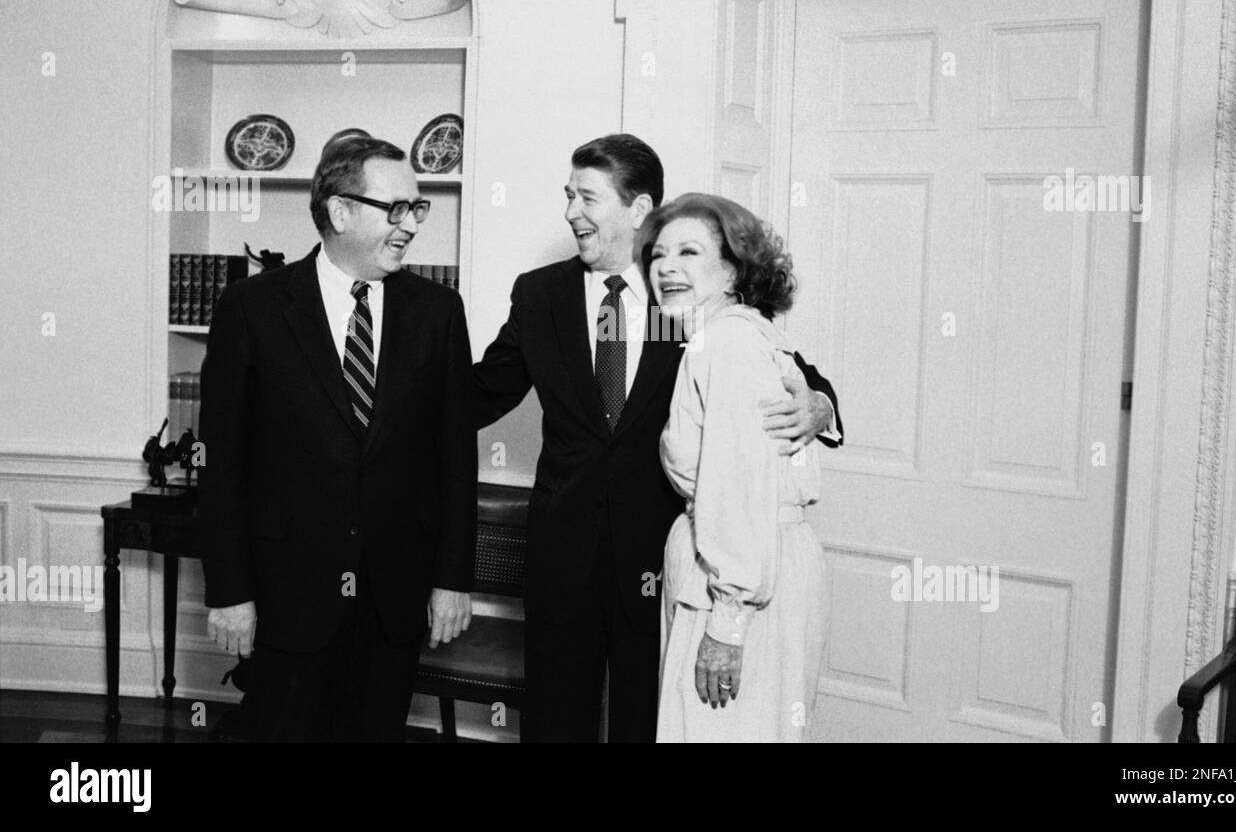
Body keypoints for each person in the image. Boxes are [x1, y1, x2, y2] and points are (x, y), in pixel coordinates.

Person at [473, 134, 842, 742]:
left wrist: (822, 405)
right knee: (554, 717)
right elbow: (483, 391)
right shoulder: (539, 295)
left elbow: (789, 371)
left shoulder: (693, 298)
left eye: (586, 197)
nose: (570, 212)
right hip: (564, 550)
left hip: (671, 556)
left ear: (637, 208)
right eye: (568, 195)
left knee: (659, 719)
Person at [199, 135, 477, 742]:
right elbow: (222, 467)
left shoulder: (438, 313)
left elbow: (455, 459)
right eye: (395, 209)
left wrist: (453, 579)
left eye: (417, 208)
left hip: (394, 599)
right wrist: (228, 591)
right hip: (285, 599)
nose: (410, 225)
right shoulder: (252, 308)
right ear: (341, 210)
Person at [641, 193, 829, 743]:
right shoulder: (745, 333)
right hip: (758, 568)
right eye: (658, 254)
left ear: (733, 269)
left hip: (736, 582)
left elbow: (739, 490)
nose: (667, 267)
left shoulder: (724, 342)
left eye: (690, 252)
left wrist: (726, 625)